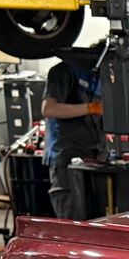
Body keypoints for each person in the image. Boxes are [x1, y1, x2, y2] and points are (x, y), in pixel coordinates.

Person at [41, 48, 105, 220]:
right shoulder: (63, 71)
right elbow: (49, 109)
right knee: (71, 216)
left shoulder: (97, 75)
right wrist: (91, 108)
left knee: (92, 216)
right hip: (65, 156)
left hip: (91, 154)